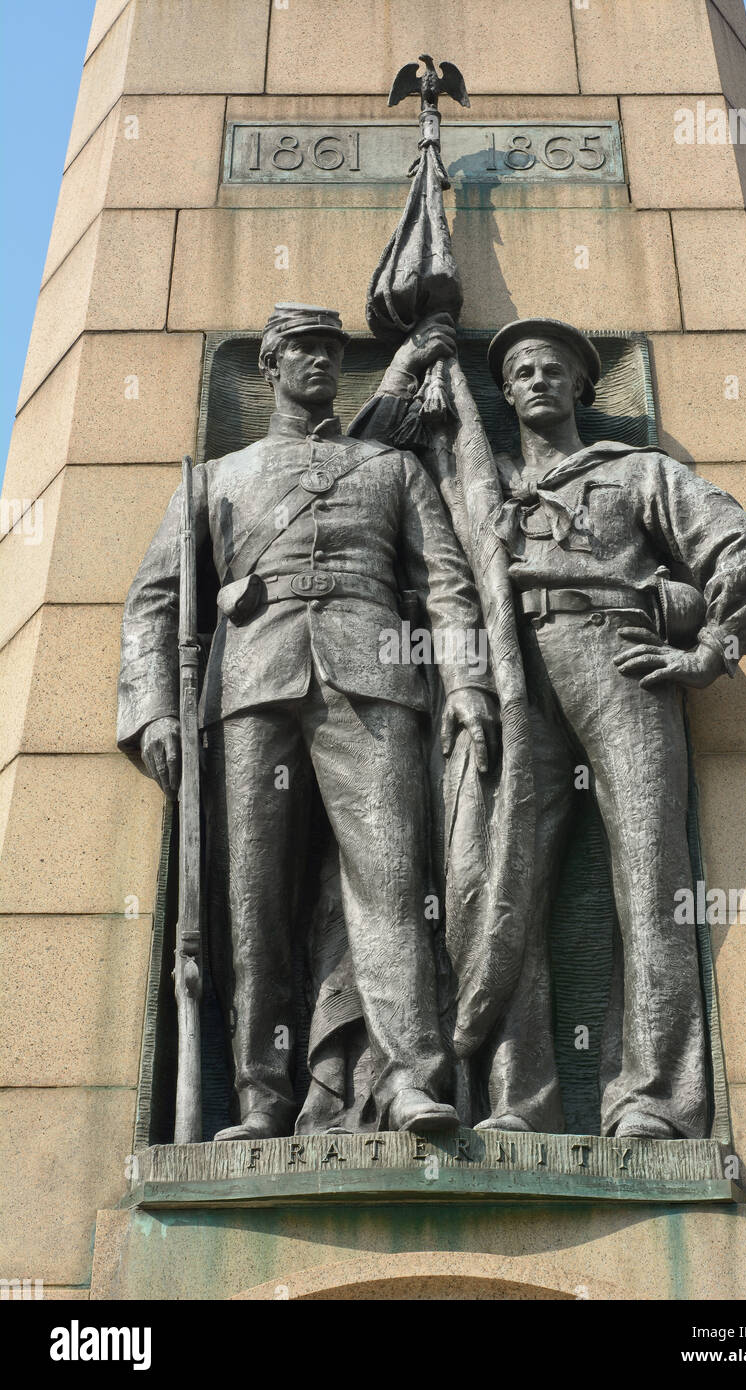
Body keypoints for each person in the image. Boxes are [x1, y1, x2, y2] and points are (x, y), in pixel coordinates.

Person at [117, 303, 497, 1140]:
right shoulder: (219, 479)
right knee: (254, 900)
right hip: (252, 689)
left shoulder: (392, 470)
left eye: (331, 349)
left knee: (394, 885)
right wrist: (150, 712)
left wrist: (467, 679)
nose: (322, 361)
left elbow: (446, 586)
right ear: (270, 365)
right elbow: (152, 603)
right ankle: (261, 1097)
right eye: (304, 350)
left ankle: (408, 1084)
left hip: (375, 681)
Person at [476, 317, 746, 1138]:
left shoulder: (639, 471)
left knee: (652, 880)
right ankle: (519, 1102)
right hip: (513, 669)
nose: (539, 380)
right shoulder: (481, 485)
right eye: (522, 371)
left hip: (623, 658)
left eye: (554, 370)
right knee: (508, 883)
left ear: (583, 388)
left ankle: (650, 1099)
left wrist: (713, 648)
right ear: (504, 392)